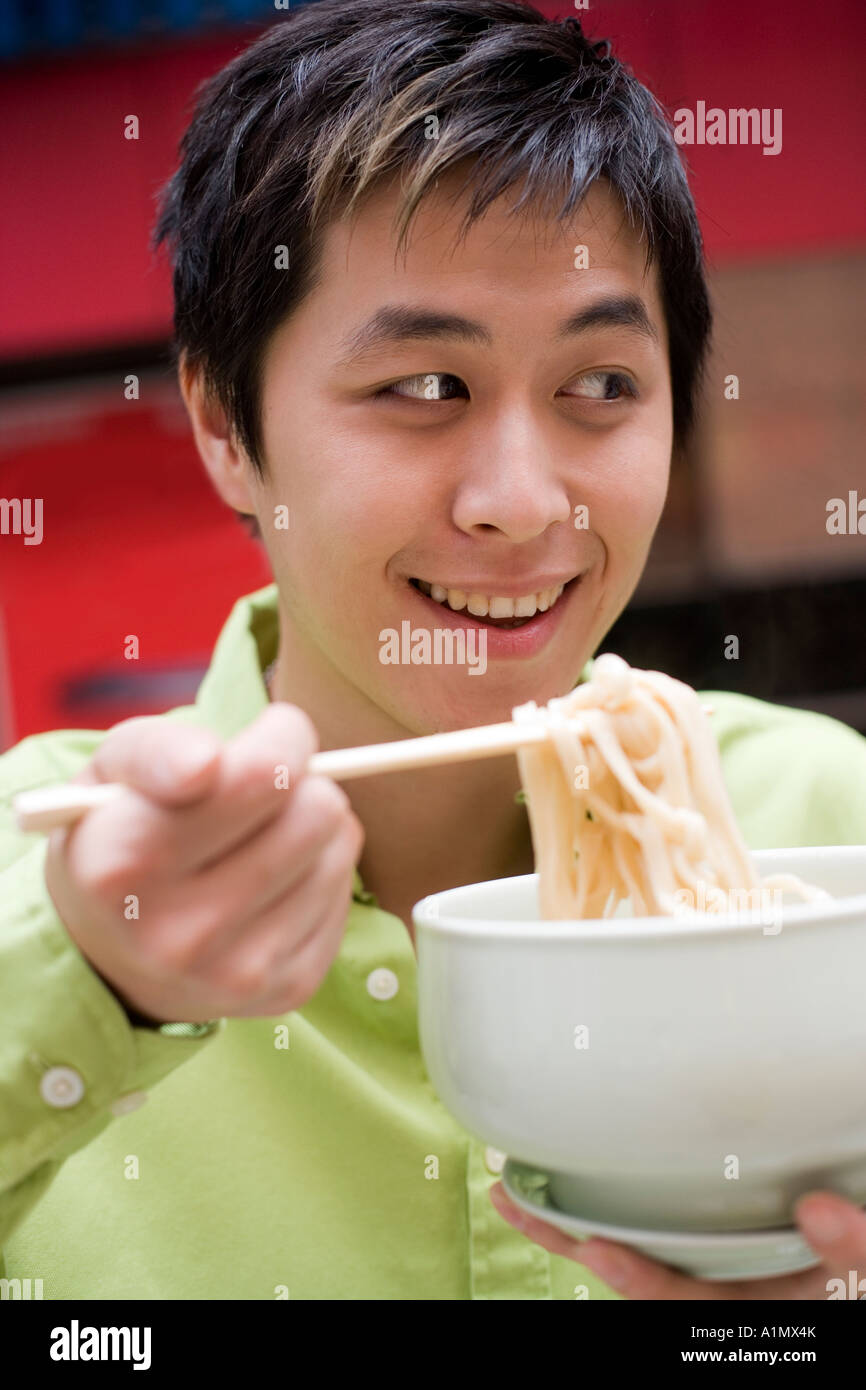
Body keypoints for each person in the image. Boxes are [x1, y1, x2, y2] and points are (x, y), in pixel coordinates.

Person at [2, 0, 865, 1302]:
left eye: (601, 387)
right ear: (226, 428)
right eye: (421, 388)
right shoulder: (44, 862)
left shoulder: (821, 819)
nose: (520, 502)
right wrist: (94, 983)